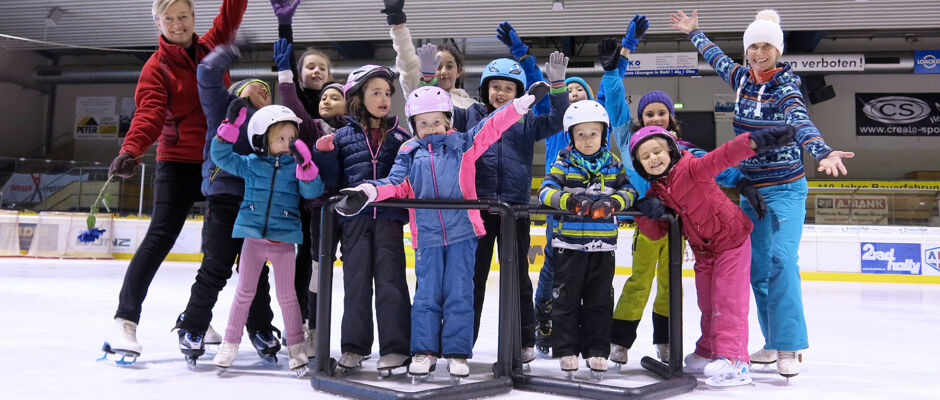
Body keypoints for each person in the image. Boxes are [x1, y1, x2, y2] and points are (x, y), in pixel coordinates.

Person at [670, 8, 855, 378]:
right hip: (751, 189)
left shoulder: (785, 86)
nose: (758, 52)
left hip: (785, 189)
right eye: (753, 45)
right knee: (756, 269)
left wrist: (821, 150)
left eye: (766, 46)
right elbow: (716, 57)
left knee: (782, 261)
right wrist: (694, 32)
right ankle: (771, 343)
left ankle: (788, 346)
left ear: (779, 50)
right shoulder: (741, 79)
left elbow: (799, 120)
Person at [335, 83, 548, 382]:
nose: (431, 128)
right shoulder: (408, 152)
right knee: (427, 296)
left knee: (460, 295)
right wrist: (366, 191)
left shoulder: (464, 144)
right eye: (423, 123)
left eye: (436, 121)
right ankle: (424, 352)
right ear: (414, 126)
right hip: (429, 236)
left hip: (463, 233)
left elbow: (492, 125)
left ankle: (457, 353)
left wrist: (521, 105)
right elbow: (395, 183)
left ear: (447, 120)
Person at [103, 0, 247, 364]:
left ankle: (197, 317)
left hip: (218, 162)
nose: (178, 24)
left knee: (218, 248)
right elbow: (150, 112)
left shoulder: (212, 45)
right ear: (158, 22)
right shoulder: (157, 67)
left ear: (193, 18)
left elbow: (231, 13)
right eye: (169, 18)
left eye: (183, 16)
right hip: (178, 163)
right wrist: (132, 149)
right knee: (160, 237)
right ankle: (125, 319)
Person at [630, 124, 797, 386]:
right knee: (707, 303)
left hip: (731, 241)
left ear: (671, 150)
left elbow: (722, 156)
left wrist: (752, 142)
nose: (653, 158)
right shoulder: (657, 192)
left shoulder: (691, 167)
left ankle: (735, 360)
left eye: (657, 151)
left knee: (727, 301)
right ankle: (708, 351)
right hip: (704, 251)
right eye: (645, 156)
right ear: (640, 165)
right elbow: (656, 234)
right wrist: (644, 213)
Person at [455, 26, 568, 364]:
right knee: (471, 279)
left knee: (518, 279)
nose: (501, 94)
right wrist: (431, 81)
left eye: (508, 88)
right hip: (477, 210)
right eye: (496, 87)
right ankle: (462, 343)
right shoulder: (470, 117)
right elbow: (438, 113)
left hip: (514, 211)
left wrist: (558, 87)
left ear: (518, 92)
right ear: (485, 89)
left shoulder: (527, 121)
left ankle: (523, 340)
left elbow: (560, 119)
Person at [174, 42, 283, 366]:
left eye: (268, 90)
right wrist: (231, 50)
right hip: (223, 197)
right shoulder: (224, 105)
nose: (264, 91)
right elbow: (207, 73)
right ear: (238, 90)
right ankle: (192, 325)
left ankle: (260, 326)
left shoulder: (269, 125)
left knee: (256, 271)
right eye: (257, 86)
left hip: (255, 202)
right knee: (216, 266)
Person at [209, 103, 324, 376]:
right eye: (280, 138)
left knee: (287, 297)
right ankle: (230, 342)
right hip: (253, 239)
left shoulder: (295, 167)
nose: (287, 144)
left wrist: (307, 166)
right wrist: (229, 129)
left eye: (291, 139)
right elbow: (221, 157)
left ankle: (296, 347)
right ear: (263, 139)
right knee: (243, 294)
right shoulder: (250, 164)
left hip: (284, 240)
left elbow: (313, 191)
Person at [314, 65, 412, 374]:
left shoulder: (399, 135)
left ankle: (396, 347)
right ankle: (354, 346)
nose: (384, 99)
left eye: (387, 93)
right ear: (358, 97)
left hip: (388, 219)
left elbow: (407, 175)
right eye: (376, 93)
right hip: (353, 221)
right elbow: (332, 180)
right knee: (355, 284)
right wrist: (325, 155)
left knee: (391, 283)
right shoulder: (342, 136)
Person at [538, 100, 636, 376]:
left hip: (602, 248)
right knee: (565, 300)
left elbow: (630, 191)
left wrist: (614, 203)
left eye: (594, 133)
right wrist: (569, 202)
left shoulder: (613, 164)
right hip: (567, 247)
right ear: (571, 137)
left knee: (600, 301)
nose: (588, 140)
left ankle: (596, 350)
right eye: (580, 134)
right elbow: (545, 191)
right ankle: (567, 349)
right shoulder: (564, 162)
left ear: (604, 135)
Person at [384, 0, 476, 108]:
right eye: (437, 67)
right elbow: (407, 61)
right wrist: (397, 22)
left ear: (459, 71)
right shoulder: (419, 93)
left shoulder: (472, 106)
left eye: (449, 66)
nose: (443, 72)